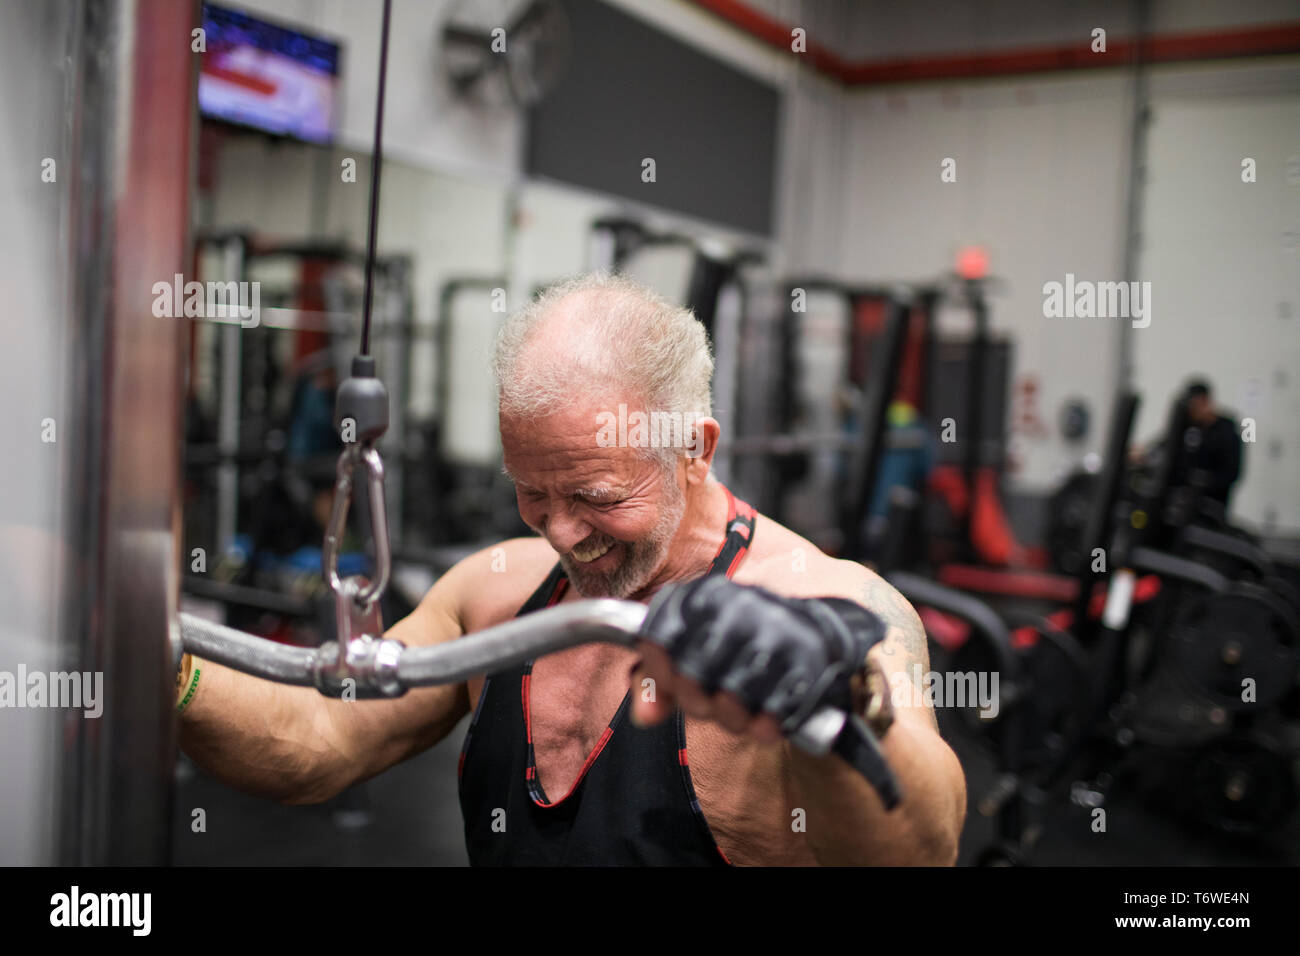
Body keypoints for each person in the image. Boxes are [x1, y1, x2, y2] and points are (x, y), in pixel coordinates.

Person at [176, 273, 966, 866]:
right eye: (530, 492)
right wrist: (160, 655)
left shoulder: (825, 600)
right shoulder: (495, 591)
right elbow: (319, 740)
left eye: (595, 495)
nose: (560, 531)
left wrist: (832, 701)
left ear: (695, 448)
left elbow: (923, 851)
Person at [1171, 379, 1243, 511]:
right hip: (1183, 503)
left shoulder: (1226, 433)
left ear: (1204, 402)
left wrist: (1200, 483)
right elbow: (1167, 445)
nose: (1191, 411)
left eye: (1194, 405)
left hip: (1211, 506)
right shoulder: (1189, 428)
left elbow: (1231, 473)